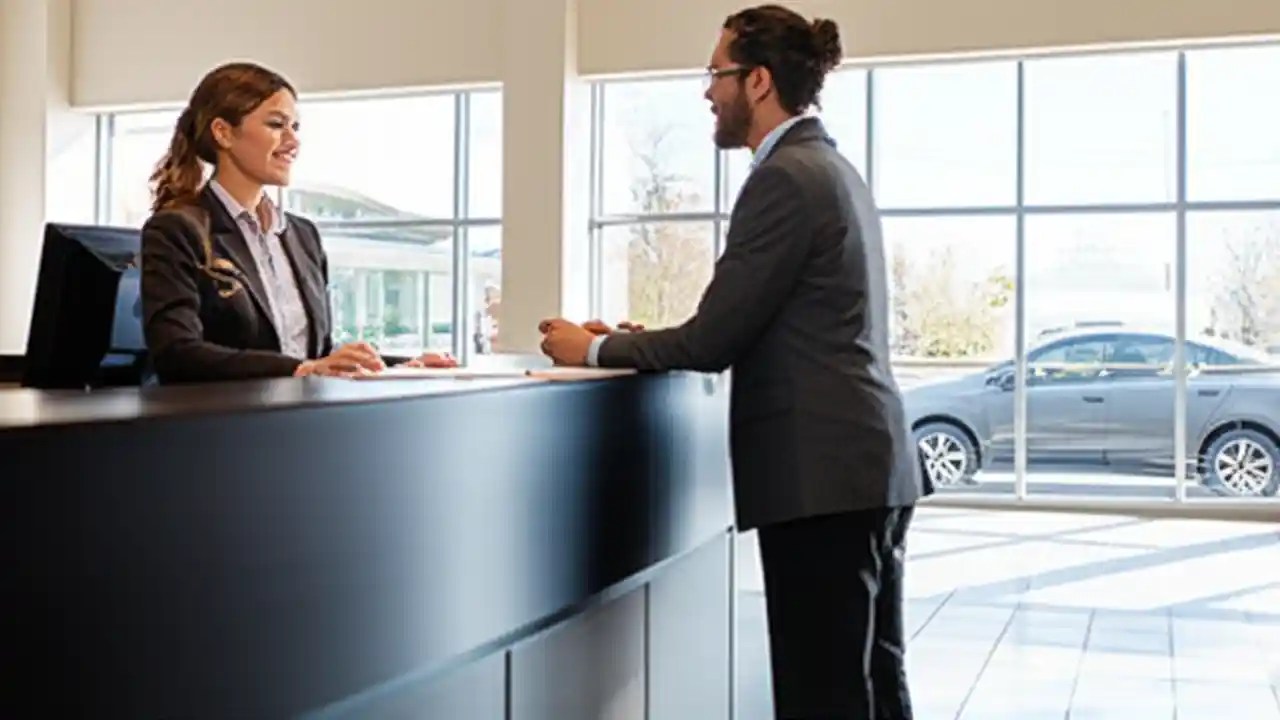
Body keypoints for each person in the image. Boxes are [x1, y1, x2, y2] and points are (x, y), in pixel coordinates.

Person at [539, 6, 933, 718]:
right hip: (866, 468)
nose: (707, 92)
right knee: (872, 680)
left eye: (716, 73)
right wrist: (638, 337)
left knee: (824, 692)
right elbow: (757, 320)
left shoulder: (784, 177)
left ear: (757, 81)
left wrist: (590, 348)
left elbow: (712, 341)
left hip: (823, 478)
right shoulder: (828, 166)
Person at [140, 61, 455, 383]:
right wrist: (301, 370)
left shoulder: (302, 236)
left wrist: (405, 366)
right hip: (225, 425)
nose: (293, 141)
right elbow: (177, 353)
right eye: (277, 125)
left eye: (296, 128)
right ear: (223, 132)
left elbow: (317, 355)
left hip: (299, 420)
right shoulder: (176, 230)